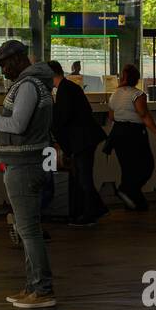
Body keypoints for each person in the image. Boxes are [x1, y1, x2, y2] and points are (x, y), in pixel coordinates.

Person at [0, 39, 56, 309]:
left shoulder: (28, 86)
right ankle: (32, 286)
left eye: (5, 64)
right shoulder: (33, 84)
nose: (2, 70)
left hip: (25, 165)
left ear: (19, 59)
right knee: (27, 229)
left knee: (29, 231)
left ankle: (42, 289)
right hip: (31, 162)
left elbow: (18, 125)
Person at [47, 60, 105, 227]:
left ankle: (90, 214)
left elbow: (63, 118)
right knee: (82, 175)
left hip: (82, 140)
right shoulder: (70, 87)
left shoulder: (65, 90)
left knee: (83, 177)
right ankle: (95, 209)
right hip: (86, 138)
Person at [104, 63, 156, 211]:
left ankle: (133, 201)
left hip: (118, 134)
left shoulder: (114, 94)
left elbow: (111, 116)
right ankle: (125, 190)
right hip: (135, 134)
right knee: (146, 166)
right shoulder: (137, 95)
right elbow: (144, 115)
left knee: (127, 168)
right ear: (136, 78)